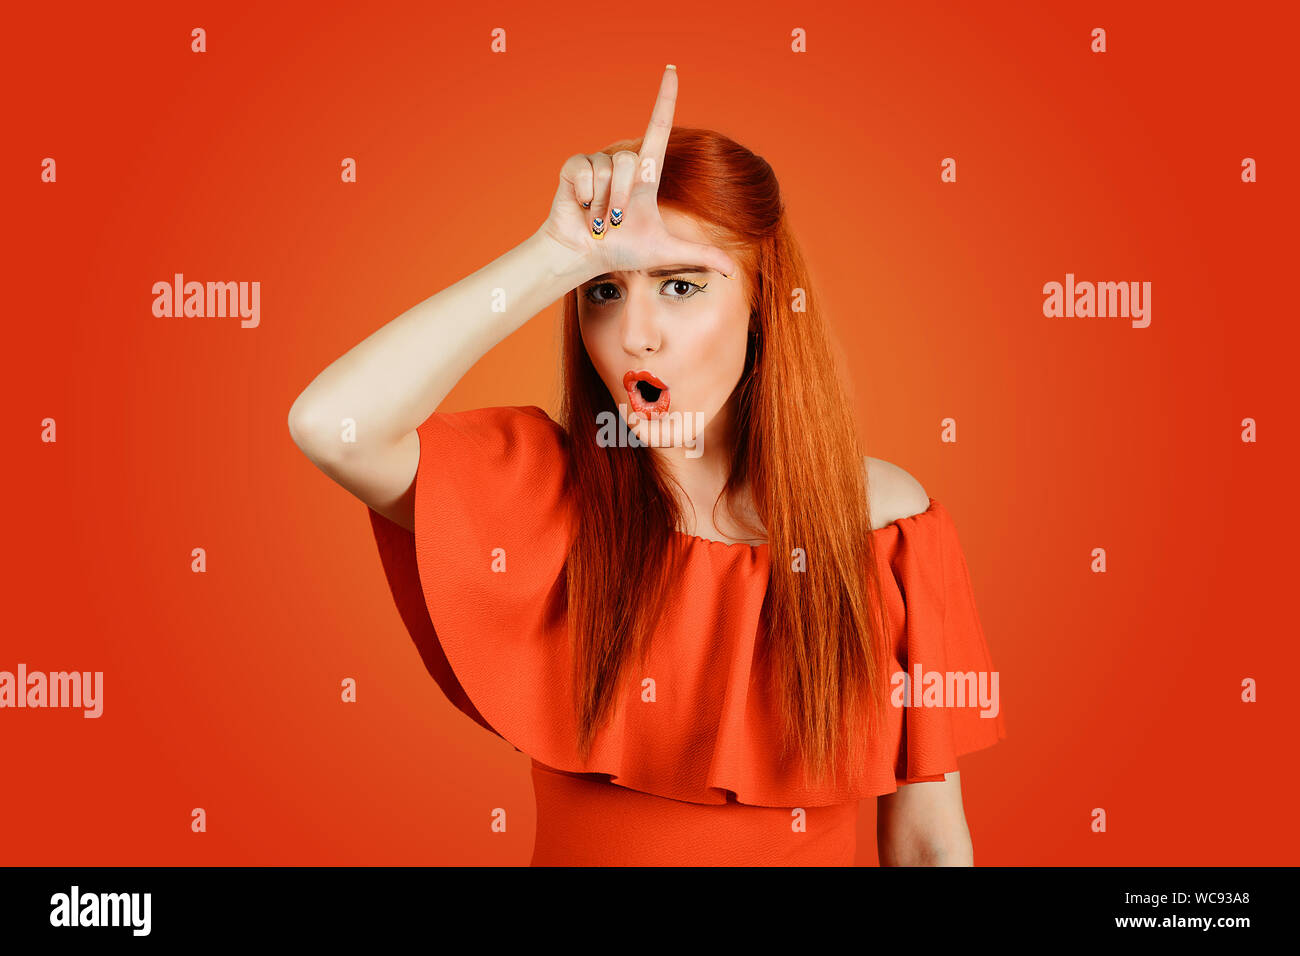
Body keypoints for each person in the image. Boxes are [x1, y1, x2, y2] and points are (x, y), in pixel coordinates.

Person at [288, 64, 1005, 866]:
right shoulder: (537, 495)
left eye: (681, 285)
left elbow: (930, 846)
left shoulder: (890, 528)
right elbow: (333, 425)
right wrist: (555, 255)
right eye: (603, 292)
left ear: (765, 300)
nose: (636, 335)